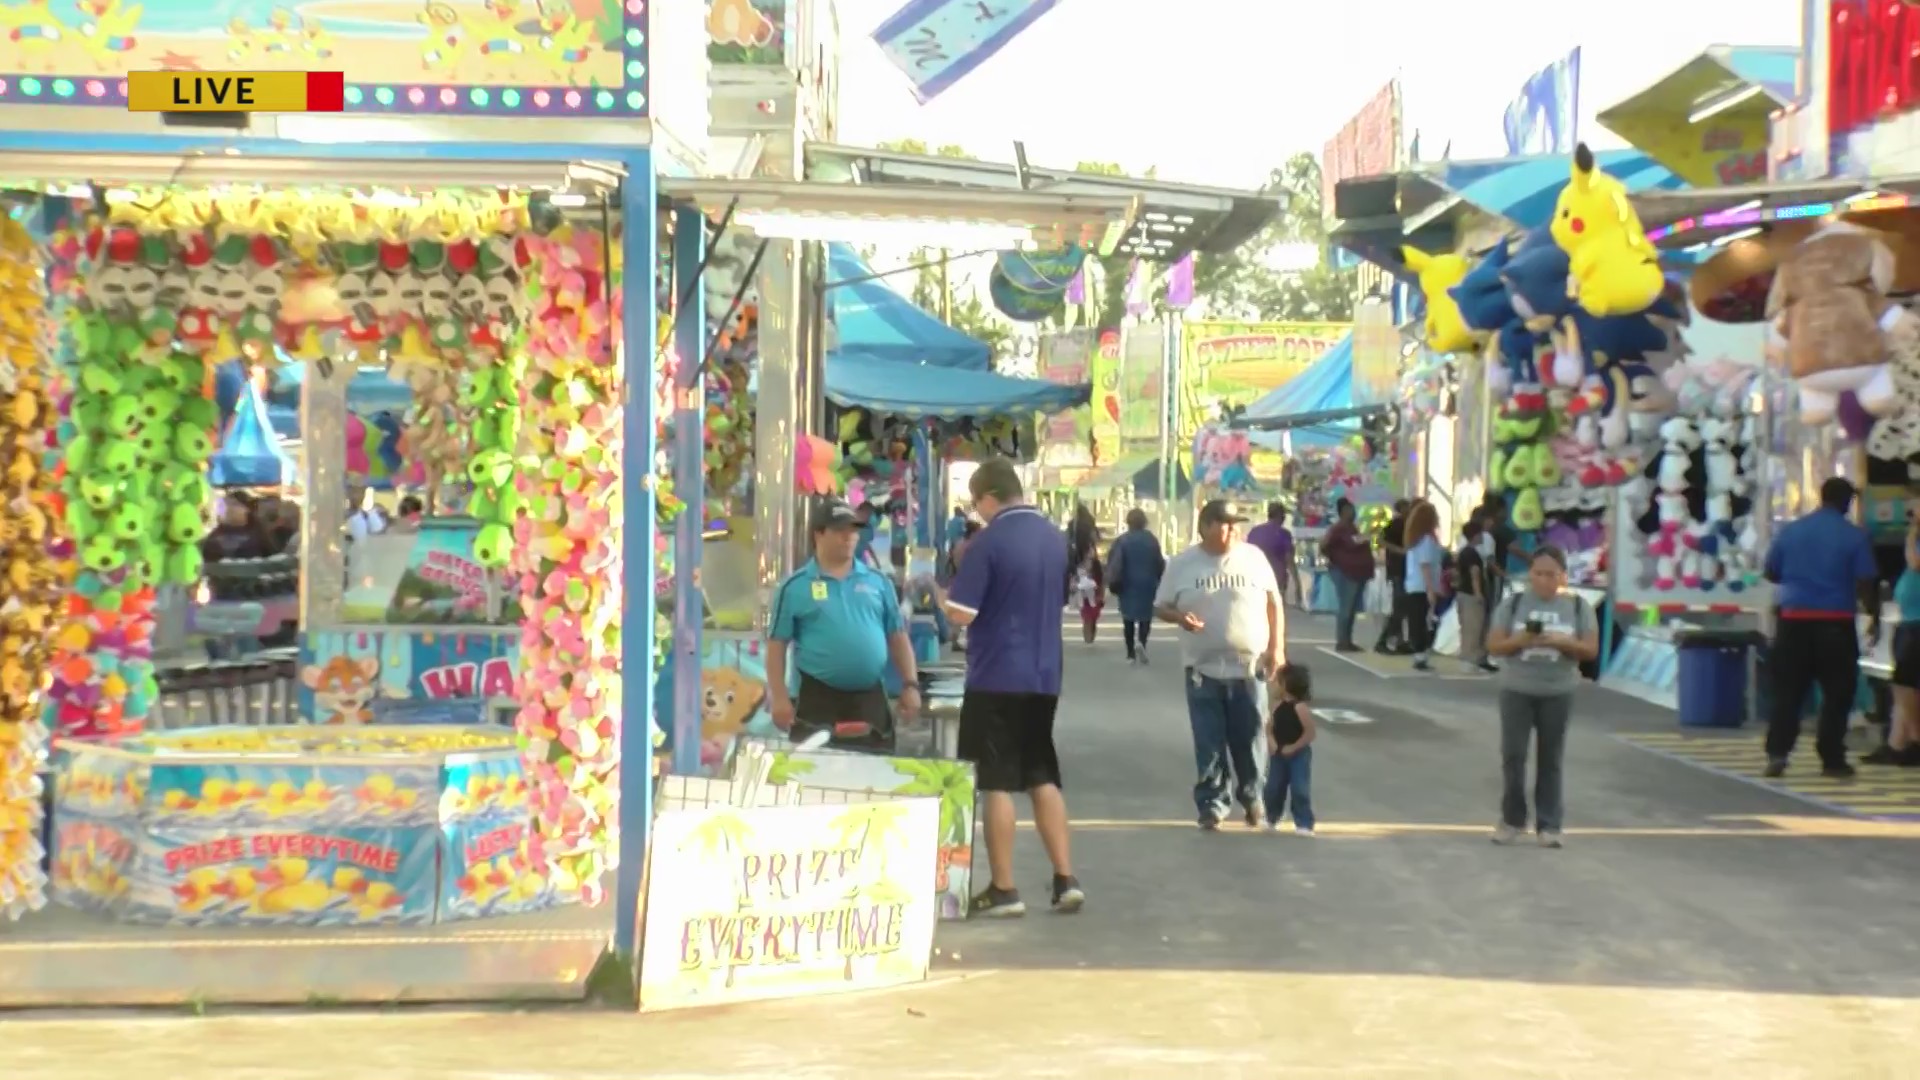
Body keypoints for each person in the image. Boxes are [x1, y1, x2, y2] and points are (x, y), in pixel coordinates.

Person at [942, 458, 1081, 917]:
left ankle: (1004, 886)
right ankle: (1065, 878)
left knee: (997, 781)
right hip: (1045, 674)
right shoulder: (1053, 539)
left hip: (997, 674)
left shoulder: (989, 542)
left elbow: (963, 612)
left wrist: (938, 596)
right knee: (1042, 774)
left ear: (986, 498)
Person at [1154, 499, 1283, 831]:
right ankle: (1212, 804)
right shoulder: (1183, 564)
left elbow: (1273, 602)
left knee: (1252, 737)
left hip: (1249, 667)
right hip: (1203, 669)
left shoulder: (1253, 558)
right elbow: (1161, 606)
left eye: (1235, 523)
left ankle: (1253, 798)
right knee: (1209, 741)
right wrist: (1180, 618)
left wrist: (1277, 648)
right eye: (1224, 523)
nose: (1232, 530)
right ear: (1206, 526)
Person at [766, 497, 920, 752]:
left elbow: (897, 636)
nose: (848, 537)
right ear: (819, 534)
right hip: (818, 699)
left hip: (869, 698)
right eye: (839, 531)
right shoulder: (794, 587)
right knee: (815, 778)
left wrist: (910, 684)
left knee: (875, 777)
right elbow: (776, 645)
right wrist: (780, 697)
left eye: (853, 531)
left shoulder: (878, 582)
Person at [1763, 477, 1881, 779]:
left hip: (1793, 623)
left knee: (1788, 692)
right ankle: (1831, 759)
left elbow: (1771, 572)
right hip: (1835, 625)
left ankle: (1777, 754)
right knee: (1838, 693)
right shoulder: (1854, 536)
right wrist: (1873, 618)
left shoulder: (1792, 531)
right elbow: (1866, 581)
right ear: (1846, 502)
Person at [1485, 545, 1599, 848]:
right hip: (1516, 690)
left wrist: (1565, 642)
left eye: (1551, 574)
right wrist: (1520, 640)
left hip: (1557, 692)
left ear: (1563, 576)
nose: (1545, 580)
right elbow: (1494, 646)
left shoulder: (1578, 607)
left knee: (1551, 759)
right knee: (1513, 755)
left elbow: (1590, 650)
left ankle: (1549, 825)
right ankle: (1512, 819)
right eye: (1538, 573)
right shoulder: (1513, 604)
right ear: (1529, 575)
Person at [1868, 507, 1920, 767]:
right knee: (1903, 686)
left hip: (1917, 624)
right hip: (1909, 620)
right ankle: (1897, 744)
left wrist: (1911, 535)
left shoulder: (1915, 543)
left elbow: (1915, 563)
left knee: (1905, 685)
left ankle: (1913, 739)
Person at [1262, 663, 1317, 836]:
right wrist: (1271, 741)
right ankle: (1272, 816)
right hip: (1279, 754)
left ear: (1287, 685)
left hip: (1298, 754)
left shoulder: (1300, 708)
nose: (1274, 685)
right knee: (1273, 787)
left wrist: (1294, 747)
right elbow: (1269, 727)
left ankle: (1304, 822)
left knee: (1299, 788)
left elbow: (1310, 733)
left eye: (1277, 681)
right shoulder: (1276, 706)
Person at [1107, 508, 1166, 665]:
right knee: (1146, 617)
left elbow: (1114, 563)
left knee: (1128, 619)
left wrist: (1111, 581)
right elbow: (1160, 563)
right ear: (1144, 522)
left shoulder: (1122, 541)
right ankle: (1142, 643)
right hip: (1148, 583)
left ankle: (1130, 654)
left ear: (1129, 522)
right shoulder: (1152, 540)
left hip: (1127, 584)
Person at [1320, 498, 1375, 652]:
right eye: (1350, 509)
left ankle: (1347, 640)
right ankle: (1342, 641)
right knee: (1346, 607)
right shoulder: (1338, 528)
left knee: (1351, 609)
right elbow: (1324, 545)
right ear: (1343, 512)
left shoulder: (1353, 528)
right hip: (1345, 572)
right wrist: (1335, 559)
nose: (1353, 512)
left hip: (1357, 572)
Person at [1402, 500, 1445, 672]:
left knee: (1417, 621)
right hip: (1423, 586)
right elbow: (1425, 565)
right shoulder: (1427, 540)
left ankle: (1419, 654)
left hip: (1414, 585)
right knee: (1424, 621)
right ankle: (1421, 654)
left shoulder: (1415, 540)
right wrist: (1431, 589)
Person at [1456, 515, 1497, 673]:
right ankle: (1470, 660)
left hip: (1464, 594)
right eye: (1480, 534)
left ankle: (1473, 659)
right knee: (1474, 628)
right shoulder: (1471, 554)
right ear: (1474, 536)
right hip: (1471, 596)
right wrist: (1479, 593)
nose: (1482, 537)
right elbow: (1475, 574)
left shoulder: (1464, 552)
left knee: (1469, 627)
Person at [1373, 499, 1411, 653]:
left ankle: (1399, 640)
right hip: (1397, 569)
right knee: (1399, 607)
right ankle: (1383, 640)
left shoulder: (1410, 524)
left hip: (1405, 570)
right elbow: (1381, 540)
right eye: (1406, 507)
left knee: (1402, 607)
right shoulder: (1396, 524)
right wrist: (1399, 551)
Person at [1246, 502, 1300, 609]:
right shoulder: (1284, 534)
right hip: (1277, 579)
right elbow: (1289, 560)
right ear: (1281, 516)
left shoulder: (1255, 531)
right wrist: (1297, 583)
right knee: (1276, 611)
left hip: (1255, 578)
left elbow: (1247, 555)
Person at [202, 497, 267, 563]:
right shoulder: (212, 538)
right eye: (222, 506)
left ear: (246, 509)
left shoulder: (259, 532)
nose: (227, 508)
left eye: (234, 504)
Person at [1073, 550, 1105, 644]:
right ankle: (1087, 638)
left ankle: (1091, 636)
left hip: (1095, 597)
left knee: (1093, 618)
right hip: (1084, 597)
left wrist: (1101, 596)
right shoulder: (1080, 566)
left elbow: (1101, 583)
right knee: (1087, 618)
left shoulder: (1097, 567)